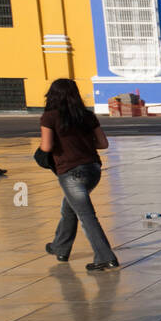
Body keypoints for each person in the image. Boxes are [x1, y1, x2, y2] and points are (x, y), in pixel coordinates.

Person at [38, 78, 119, 271]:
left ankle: (105, 257)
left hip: (70, 172)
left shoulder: (49, 117)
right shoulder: (87, 116)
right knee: (69, 208)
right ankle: (60, 247)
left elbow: (47, 146)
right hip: (93, 170)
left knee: (86, 215)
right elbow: (103, 144)